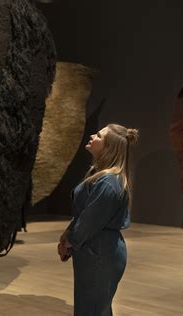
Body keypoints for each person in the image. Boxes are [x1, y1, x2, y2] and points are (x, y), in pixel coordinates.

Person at [57, 123, 139, 316]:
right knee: (93, 308)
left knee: (92, 309)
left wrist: (70, 241)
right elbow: (84, 213)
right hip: (94, 248)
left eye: (100, 136)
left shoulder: (109, 182)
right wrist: (68, 236)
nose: (93, 136)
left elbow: (90, 220)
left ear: (109, 147)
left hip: (99, 251)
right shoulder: (99, 176)